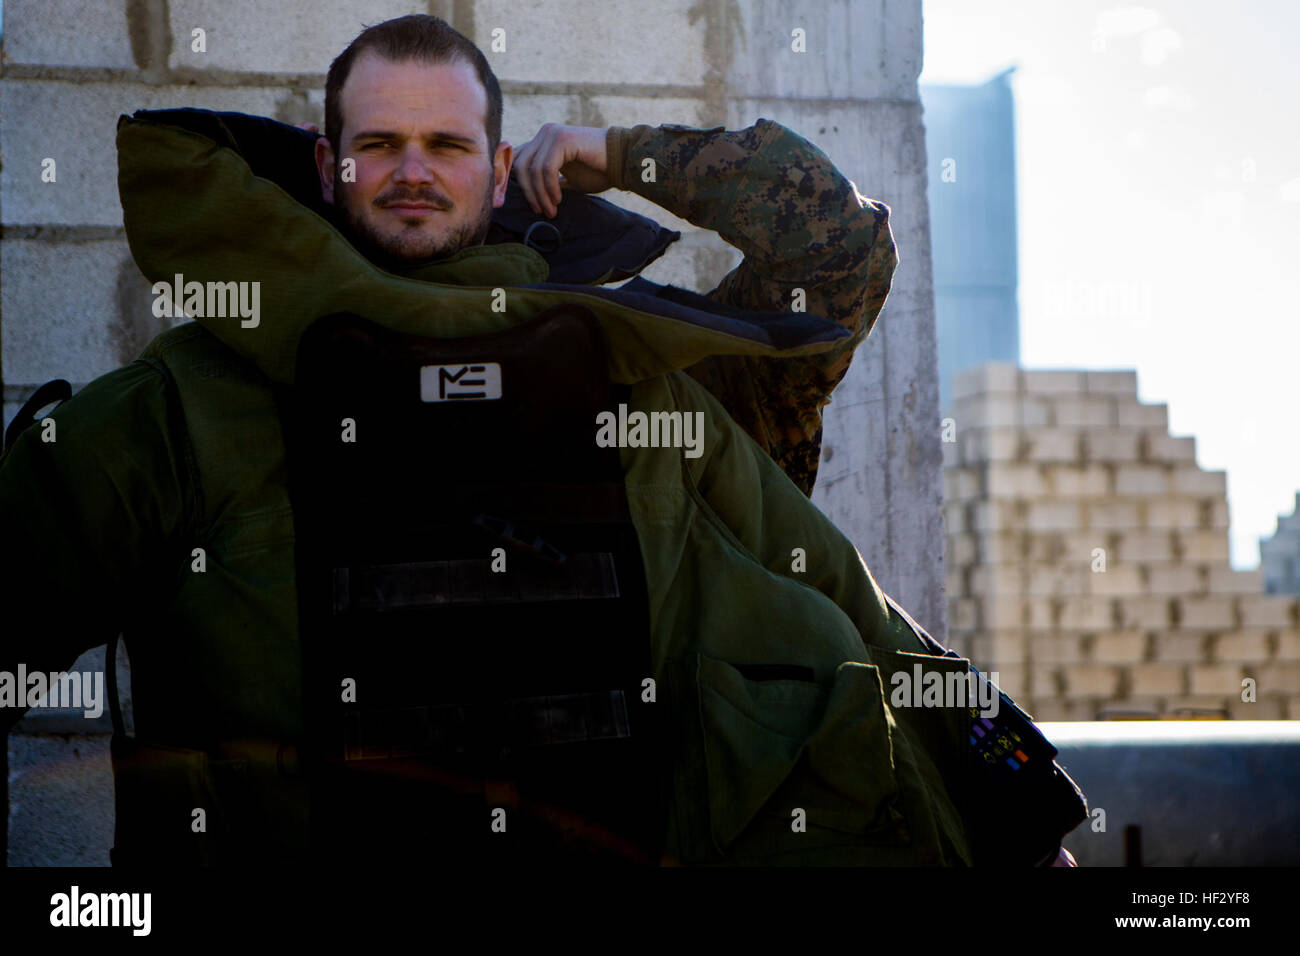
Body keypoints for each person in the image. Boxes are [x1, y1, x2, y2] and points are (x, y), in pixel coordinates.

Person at [1, 14, 1083, 866]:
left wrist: (620, 155)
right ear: (327, 172)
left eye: (444, 144)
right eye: (378, 143)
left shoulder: (643, 373)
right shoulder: (189, 404)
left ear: (498, 166)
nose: (412, 170)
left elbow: (837, 256)